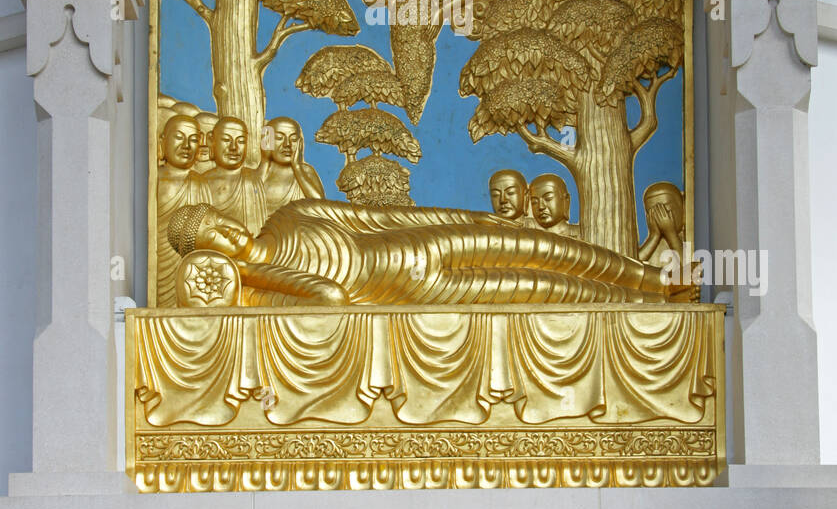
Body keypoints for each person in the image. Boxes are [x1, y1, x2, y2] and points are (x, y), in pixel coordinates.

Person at [166, 199, 670, 307]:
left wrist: (467, 217)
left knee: (545, 248)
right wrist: (250, 275)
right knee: (542, 287)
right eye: (207, 241)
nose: (223, 234)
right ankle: (645, 306)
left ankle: (651, 280)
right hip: (414, 287)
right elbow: (330, 295)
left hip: (417, 243)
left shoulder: (289, 216)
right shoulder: (264, 290)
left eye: (217, 221)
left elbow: (378, 215)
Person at [156, 114, 210, 308]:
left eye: (193, 139)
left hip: (192, 263)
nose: (187, 145)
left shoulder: (199, 182)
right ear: (163, 141)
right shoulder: (155, 180)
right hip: (160, 260)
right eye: (179, 137)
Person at [201, 116, 266, 235]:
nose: (234, 147)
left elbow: (255, 234)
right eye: (226, 140)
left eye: (241, 141)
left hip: (250, 249)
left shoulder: (252, 180)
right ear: (212, 140)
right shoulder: (201, 184)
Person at [259, 116, 325, 215]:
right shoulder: (261, 173)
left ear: (300, 143)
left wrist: (297, 168)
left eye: (293, 139)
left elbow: (321, 204)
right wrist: (265, 160)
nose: (287, 144)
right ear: (267, 141)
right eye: (279, 138)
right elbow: (251, 199)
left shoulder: (305, 171)